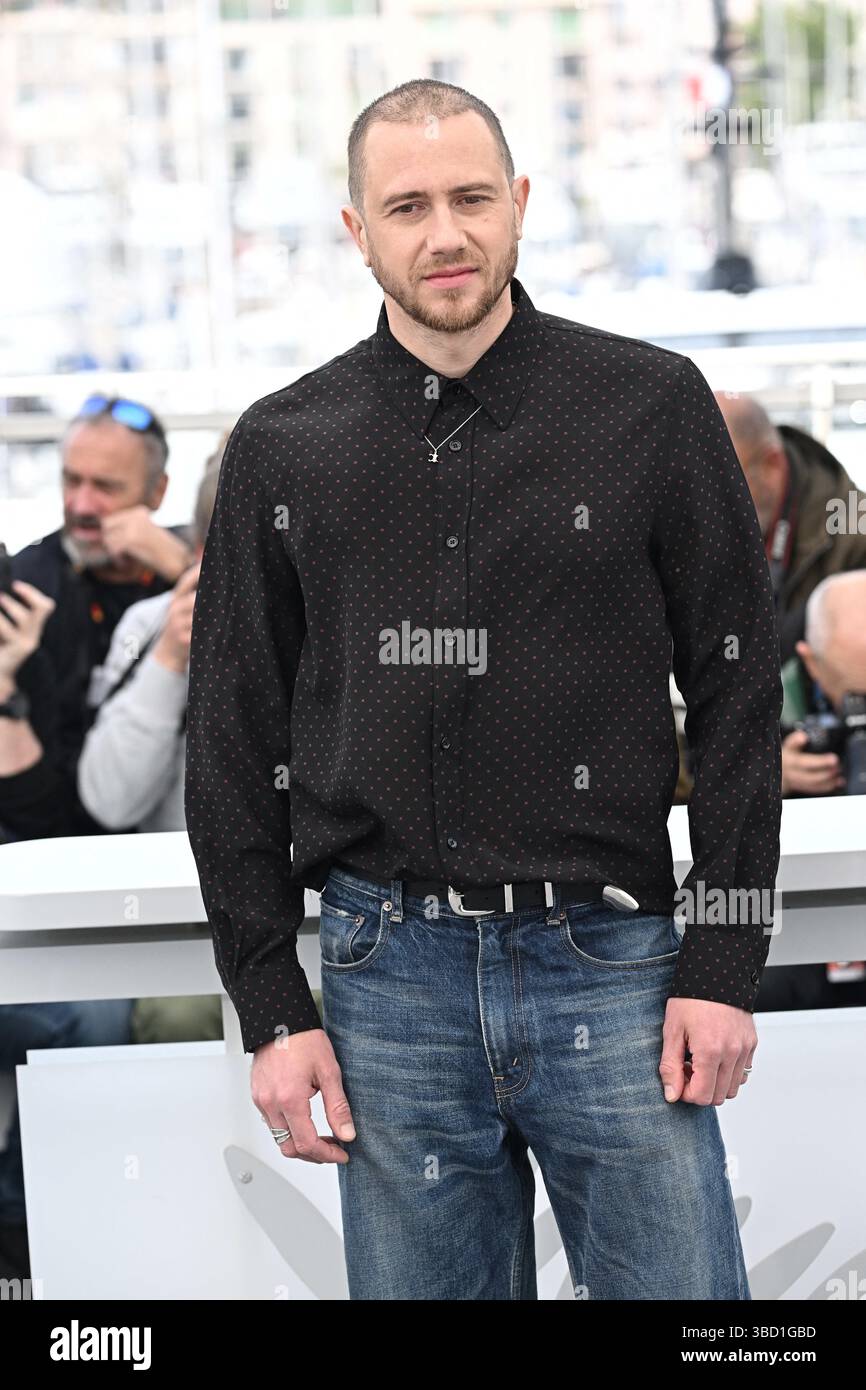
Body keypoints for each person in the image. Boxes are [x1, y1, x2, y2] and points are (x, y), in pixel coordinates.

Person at [184, 79, 783, 1301]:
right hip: (379, 976)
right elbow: (233, 740)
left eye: (469, 198)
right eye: (406, 205)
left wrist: (722, 958)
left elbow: (736, 690)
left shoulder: (650, 404)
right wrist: (269, 1001)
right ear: (358, 230)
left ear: (518, 205)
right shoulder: (281, 443)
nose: (443, 234)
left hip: (612, 960)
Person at [10, 394, 195, 835]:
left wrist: (182, 567)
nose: (82, 505)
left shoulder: (186, 560)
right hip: (59, 832)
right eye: (71, 481)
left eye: (105, 487)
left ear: (158, 491)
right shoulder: (30, 584)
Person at [713, 391, 866, 668]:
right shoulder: (701, 528)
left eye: (724, 484)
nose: (710, 503)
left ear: (771, 464)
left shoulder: (853, 533)